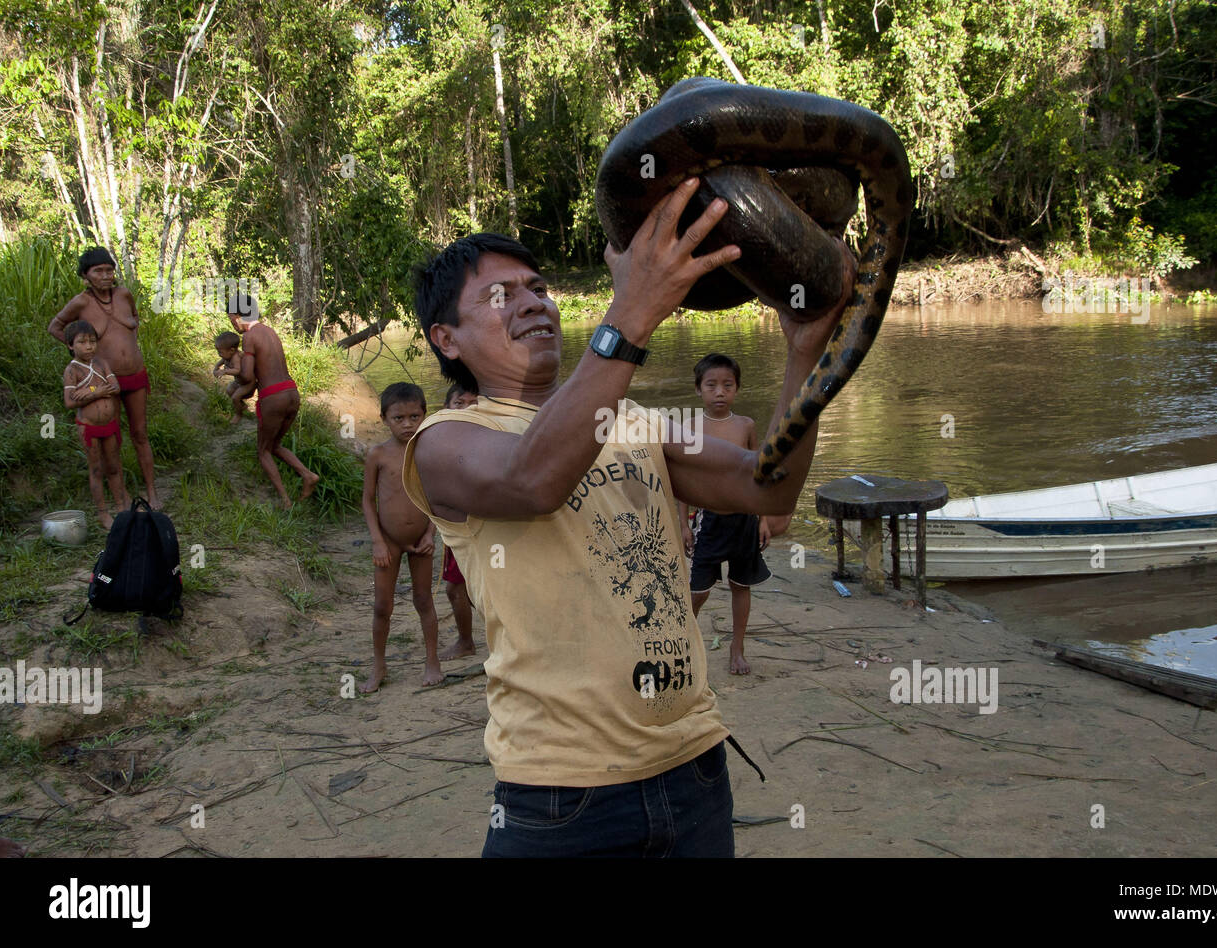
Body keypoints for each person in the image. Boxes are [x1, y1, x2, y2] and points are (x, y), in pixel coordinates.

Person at [402, 177, 853, 858]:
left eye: (537, 288)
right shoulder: (443, 442)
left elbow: (772, 489)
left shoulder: (635, 420)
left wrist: (804, 355)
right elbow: (533, 478)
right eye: (500, 296)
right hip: (560, 795)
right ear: (447, 338)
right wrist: (632, 312)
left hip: (695, 764)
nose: (531, 304)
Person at [677, 353, 773, 676]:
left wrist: (763, 520)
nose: (720, 392)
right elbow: (684, 482)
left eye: (727, 385)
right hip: (709, 519)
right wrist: (684, 525)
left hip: (744, 517)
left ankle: (737, 647)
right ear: (698, 390)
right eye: (711, 385)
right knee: (698, 590)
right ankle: (684, 644)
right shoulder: (690, 428)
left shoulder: (746, 425)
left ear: (737, 389)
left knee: (740, 585)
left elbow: (755, 476)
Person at [48, 247, 159, 507]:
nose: (106, 276)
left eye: (109, 270)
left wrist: (129, 344)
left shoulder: (124, 295)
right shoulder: (81, 302)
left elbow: (134, 318)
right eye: (98, 271)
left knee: (140, 433)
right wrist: (79, 354)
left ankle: (152, 492)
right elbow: (55, 326)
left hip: (135, 375)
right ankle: (119, 500)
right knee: (112, 438)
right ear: (86, 276)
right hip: (105, 383)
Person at [360, 382, 444, 692]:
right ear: (383, 418)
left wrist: (431, 533)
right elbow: (368, 500)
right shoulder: (378, 455)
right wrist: (378, 541)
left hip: (422, 539)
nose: (407, 424)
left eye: (414, 416)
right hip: (389, 542)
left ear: (425, 415)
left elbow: (438, 497)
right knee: (382, 606)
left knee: (423, 599)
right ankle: (379, 664)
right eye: (399, 418)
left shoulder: (429, 451)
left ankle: (432, 660)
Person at [226, 293, 319, 507]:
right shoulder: (270, 331)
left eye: (232, 319)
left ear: (239, 316)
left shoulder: (249, 337)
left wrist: (234, 371)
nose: (232, 324)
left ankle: (285, 500)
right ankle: (307, 475)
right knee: (274, 444)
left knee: (263, 450)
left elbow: (248, 376)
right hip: (291, 393)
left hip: (273, 397)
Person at [62, 321, 128, 528]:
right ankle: (102, 512)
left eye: (92, 341)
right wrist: (97, 391)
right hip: (88, 427)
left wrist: (91, 391)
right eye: (82, 342)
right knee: (97, 469)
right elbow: (70, 402)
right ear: (71, 345)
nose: (89, 346)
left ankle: (121, 507)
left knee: (114, 466)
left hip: (109, 425)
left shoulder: (101, 363)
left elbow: (115, 387)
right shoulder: (72, 371)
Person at [434, 383, 480, 661]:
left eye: (475, 404)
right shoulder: (440, 446)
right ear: (446, 410)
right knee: (457, 587)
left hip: (482, 527)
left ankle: (467, 642)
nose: (467, 410)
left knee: (466, 586)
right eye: (460, 403)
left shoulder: (489, 439)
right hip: (456, 529)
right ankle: (466, 641)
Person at [212, 331, 255, 419]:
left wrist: (225, 371)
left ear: (231, 350)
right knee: (229, 390)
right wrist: (216, 367)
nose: (219, 355)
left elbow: (237, 370)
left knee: (235, 398)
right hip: (238, 382)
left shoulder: (236, 357)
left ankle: (238, 415)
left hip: (247, 383)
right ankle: (242, 406)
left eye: (220, 352)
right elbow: (221, 362)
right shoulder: (227, 356)